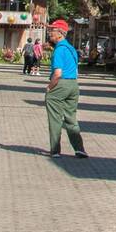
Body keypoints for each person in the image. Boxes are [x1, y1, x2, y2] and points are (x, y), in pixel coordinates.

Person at [44, 20, 87, 158]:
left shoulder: (59, 50)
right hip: (73, 85)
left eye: (52, 30)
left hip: (60, 84)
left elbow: (58, 73)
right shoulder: (72, 49)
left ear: (60, 33)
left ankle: (55, 150)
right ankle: (79, 149)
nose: (50, 33)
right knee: (71, 118)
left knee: (55, 118)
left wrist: (49, 87)